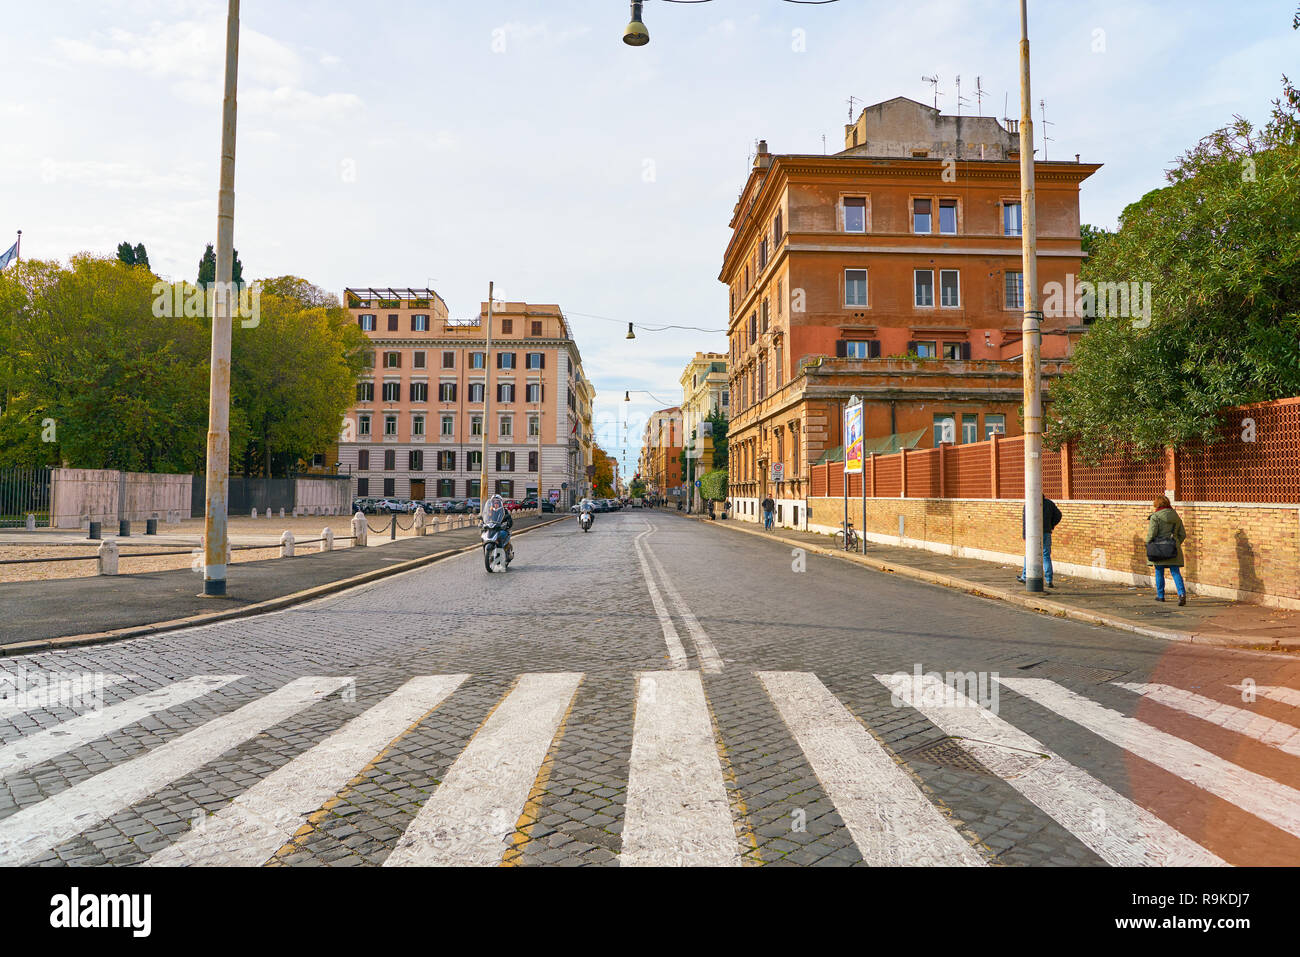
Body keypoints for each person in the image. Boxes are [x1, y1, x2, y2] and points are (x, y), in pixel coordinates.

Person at [1146, 494, 1188, 605]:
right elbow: (1182, 534)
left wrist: (1148, 543)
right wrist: (1176, 543)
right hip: (1173, 548)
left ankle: (1160, 596)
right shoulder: (1176, 517)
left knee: (1159, 571)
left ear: (1157, 504)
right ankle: (1182, 594)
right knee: (1175, 572)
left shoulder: (1155, 517)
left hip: (1158, 548)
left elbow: (1152, 534)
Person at [1018, 494, 1062, 588]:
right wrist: (1051, 525)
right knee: (1046, 555)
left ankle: (1025, 576)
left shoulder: (1029, 504)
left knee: (1029, 554)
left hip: (1033, 534)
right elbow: (1058, 515)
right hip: (1046, 532)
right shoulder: (1049, 503)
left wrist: (1025, 534)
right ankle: (1049, 580)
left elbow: (1025, 521)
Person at [481, 493, 514, 562]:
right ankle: (488, 553)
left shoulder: (504, 510)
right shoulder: (489, 510)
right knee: (484, 535)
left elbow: (509, 519)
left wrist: (507, 524)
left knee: (501, 535)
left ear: (500, 503)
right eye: (494, 502)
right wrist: (481, 523)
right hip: (491, 528)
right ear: (492, 503)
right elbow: (485, 518)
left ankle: (504, 552)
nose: (496, 504)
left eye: (497, 502)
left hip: (501, 528)